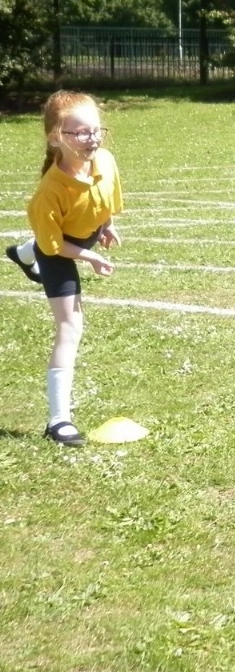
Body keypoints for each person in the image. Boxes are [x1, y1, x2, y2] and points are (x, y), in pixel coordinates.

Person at [16, 91, 123, 448]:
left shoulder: (105, 161)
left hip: (79, 235)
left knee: (46, 241)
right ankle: (58, 421)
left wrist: (106, 226)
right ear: (55, 137)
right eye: (79, 132)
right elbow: (55, 246)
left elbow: (103, 200)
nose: (90, 139)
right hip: (59, 251)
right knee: (70, 326)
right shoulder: (48, 192)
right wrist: (90, 257)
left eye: (95, 130)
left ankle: (22, 252)